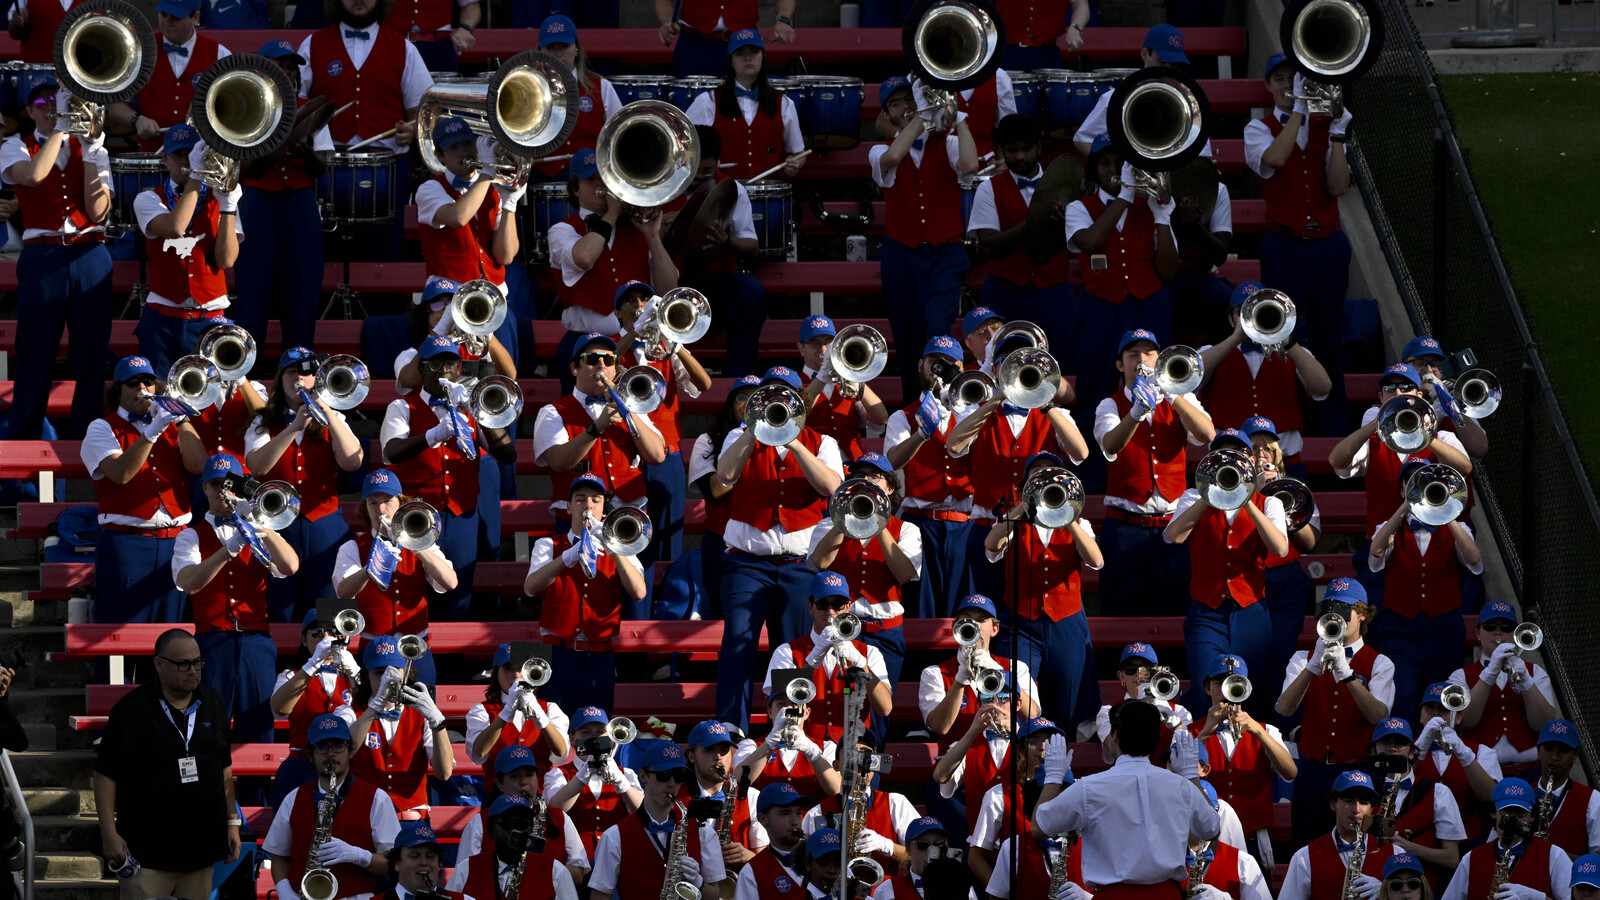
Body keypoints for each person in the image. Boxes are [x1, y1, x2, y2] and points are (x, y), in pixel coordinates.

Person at [715, 366, 846, 732]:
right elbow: (724, 475)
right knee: (737, 647)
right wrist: (755, 431)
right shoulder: (738, 436)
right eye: (770, 396)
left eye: (787, 396)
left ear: (799, 402)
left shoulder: (822, 443)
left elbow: (831, 488)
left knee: (793, 652)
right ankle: (731, 733)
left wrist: (793, 440)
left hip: (799, 564)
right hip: (746, 563)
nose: (779, 403)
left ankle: (791, 731)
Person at [1243, 53, 1354, 436]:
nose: (1289, 85)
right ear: (1268, 86)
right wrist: (1301, 112)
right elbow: (1274, 158)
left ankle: (1332, 426)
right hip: (1284, 245)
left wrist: (1337, 135)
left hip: (1327, 244)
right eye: (1280, 79)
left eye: (1297, 78)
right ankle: (1282, 423)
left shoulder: (1327, 125)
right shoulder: (1258, 128)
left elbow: (1338, 186)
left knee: (1328, 335)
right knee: (1279, 336)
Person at [3, 76, 113, 441]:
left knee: (92, 354)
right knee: (35, 352)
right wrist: (61, 129)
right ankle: (23, 443)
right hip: (43, 255)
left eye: (56, 100)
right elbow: (34, 175)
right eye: (41, 104)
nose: (50, 108)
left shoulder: (92, 147)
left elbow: (98, 213)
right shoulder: (14, 146)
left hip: (89, 251)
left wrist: (92, 148)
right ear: (28, 112)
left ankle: (89, 438)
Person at [93, 629, 240, 900]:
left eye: (198, 663)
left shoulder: (214, 702)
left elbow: (224, 766)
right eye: (183, 664)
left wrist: (232, 822)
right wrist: (109, 833)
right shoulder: (132, 709)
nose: (193, 670)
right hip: (148, 851)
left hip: (201, 846)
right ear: (159, 664)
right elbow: (105, 775)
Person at [381, 335, 518, 619]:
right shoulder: (402, 406)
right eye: (435, 363)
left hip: (461, 515)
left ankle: (453, 664)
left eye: (451, 363)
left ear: (460, 369)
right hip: (415, 516)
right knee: (412, 596)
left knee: (456, 601)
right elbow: (391, 451)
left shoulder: (468, 407)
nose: (444, 369)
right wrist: (433, 435)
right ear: (421, 369)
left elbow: (507, 454)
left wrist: (478, 410)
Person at [947, 335, 1091, 600]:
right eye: (1007, 362)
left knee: (1026, 611)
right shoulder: (976, 411)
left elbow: (1081, 453)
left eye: (1023, 362)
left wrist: (1045, 402)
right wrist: (997, 397)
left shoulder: (1054, 414)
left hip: (1032, 530)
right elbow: (954, 446)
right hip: (986, 526)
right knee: (984, 610)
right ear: (993, 370)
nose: (1015, 368)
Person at [1034, 701, 1221, 900]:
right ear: (1156, 738)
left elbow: (1039, 828)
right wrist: (1191, 776)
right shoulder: (1181, 786)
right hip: (1165, 894)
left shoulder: (1089, 787)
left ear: (1115, 735)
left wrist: (1053, 778)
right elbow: (1211, 829)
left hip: (1115, 895)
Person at [172, 452, 300, 742]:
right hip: (212, 641)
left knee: (258, 730)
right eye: (216, 484)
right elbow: (188, 582)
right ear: (204, 488)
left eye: (230, 484)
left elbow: (290, 566)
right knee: (208, 730)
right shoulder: (190, 536)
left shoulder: (257, 525)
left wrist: (262, 527)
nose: (223, 491)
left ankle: (255, 790)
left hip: (256, 641)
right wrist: (227, 549)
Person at [1329, 363, 1474, 608]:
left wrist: (1424, 434)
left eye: (1406, 387)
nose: (1397, 393)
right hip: (1380, 546)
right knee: (1380, 624)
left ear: (1419, 395)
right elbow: (1337, 461)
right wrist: (1374, 424)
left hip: (1432, 548)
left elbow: (1465, 467)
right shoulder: (1373, 440)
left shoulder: (1441, 437)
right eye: (1390, 388)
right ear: (1380, 397)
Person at [873, 75, 981, 402]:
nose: (904, 106)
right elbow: (892, 159)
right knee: (907, 340)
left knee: (938, 330)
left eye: (909, 98)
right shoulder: (880, 149)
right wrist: (921, 117)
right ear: (887, 115)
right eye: (896, 103)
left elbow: (970, 164)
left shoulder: (945, 143)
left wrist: (956, 118)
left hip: (943, 253)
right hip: (901, 256)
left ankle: (947, 404)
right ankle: (912, 410)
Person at [296, 0, 433, 258]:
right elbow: (296, 105)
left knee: (385, 254)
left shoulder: (404, 48)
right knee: (327, 254)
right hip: (326, 166)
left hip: (388, 172)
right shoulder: (311, 45)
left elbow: (424, 111)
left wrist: (413, 130)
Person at [1164, 428, 1290, 708]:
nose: (1231, 460)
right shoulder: (1192, 496)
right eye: (1223, 454)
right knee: (1203, 684)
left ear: (1250, 460)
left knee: (1252, 689)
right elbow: (1174, 536)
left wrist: (1247, 498)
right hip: (1206, 611)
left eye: (1238, 454)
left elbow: (1280, 548)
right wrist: (1208, 495)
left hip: (1251, 611)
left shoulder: (1270, 503)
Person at [1091, 328, 1213, 615]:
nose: (1141, 360)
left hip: (1172, 526)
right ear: (1120, 365)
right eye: (1133, 355)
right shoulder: (1109, 404)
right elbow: (1111, 444)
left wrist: (1172, 394)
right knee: (1121, 613)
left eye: (1148, 353)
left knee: (1176, 612)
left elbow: (1206, 433)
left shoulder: (1180, 399)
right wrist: (1136, 411)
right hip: (1125, 528)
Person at [982, 450, 1104, 731]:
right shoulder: (1013, 521)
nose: (1044, 476)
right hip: (1022, 621)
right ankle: (1022, 750)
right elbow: (990, 546)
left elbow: (1097, 561)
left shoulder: (1079, 523)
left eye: (1051, 473)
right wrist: (1023, 506)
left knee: (1067, 695)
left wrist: (1068, 515)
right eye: (1037, 471)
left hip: (1066, 622)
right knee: (1018, 693)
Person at [83, 356, 208, 624]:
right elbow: (121, 474)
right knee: (120, 635)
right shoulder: (102, 427)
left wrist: (182, 418)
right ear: (118, 391)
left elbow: (199, 466)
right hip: (127, 544)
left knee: (171, 635)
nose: (143, 388)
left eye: (149, 381)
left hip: (176, 542)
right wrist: (152, 431)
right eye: (133, 383)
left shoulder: (173, 425)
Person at [245, 347, 365, 623]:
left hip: (325, 527)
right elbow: (258, 466)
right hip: (277, 529)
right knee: (277, 612)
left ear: (317, 379)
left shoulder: (335, 419)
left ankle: (330, 663)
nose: (299, 377)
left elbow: (352, 462)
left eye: (306, 372)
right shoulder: (262, 422)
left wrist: (326, 411)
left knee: (329, 614)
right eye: (291, 371)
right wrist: (293, 427)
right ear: (280, 379)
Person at [234, 40, 334, 357]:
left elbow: (323, 166)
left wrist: (303, 152)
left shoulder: (310, 108)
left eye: (291, 67)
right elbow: (242, 170)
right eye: (280, 65)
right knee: (253, 286)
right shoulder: (246, 105)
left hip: (300, 201)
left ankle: (299, 365)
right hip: (259, 200)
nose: (287, 72)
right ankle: (246, 373)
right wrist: (273, 147)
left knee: (303, 286)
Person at [1277, 579, 1396, 845]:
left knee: (1359, 849)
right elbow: (1284, 708)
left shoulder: (1379, 662)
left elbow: (1378, 716)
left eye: (1344, 609)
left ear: (1362, 614)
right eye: (1329, 609)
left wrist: (1348, 675)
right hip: (1312, 771)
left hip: (1359, 771)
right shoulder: (1302, 657)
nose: (1336, 616)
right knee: (1306, 846)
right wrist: (1312, 666)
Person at [1065, 136, 1180, 407]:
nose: (1113, 170)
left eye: (1121, 163)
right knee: (1096, 381)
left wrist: (1163, 217)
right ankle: (1092, 448)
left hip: (1149, 302)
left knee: (1158, 380)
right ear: (1094, 169)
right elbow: (1089, 242)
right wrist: (1125, 197)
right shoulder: (1079, 207)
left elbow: (1169, 270)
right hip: (1100, 306)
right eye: (1105, 163)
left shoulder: (1149, 206)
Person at [1367, 458, 1483, 722]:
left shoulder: (1458, 528)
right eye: (1411, 480)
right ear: (1401, 489)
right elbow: (1375, 555)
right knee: (1403, 695)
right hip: (1400, 629)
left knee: (1442, 703)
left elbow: (1475, 560)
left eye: (1425, 479)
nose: (1419, 484)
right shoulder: (1390, 529)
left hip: (1443, 628)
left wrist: (1448, 513)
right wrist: (1405, 507)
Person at [524, 473, 651, 712]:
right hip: (557, 653)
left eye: (595, 500)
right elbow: (531, 587)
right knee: (555, 729)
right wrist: (568, 556)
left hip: (599, 656)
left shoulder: (621, 548)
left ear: (604, 509)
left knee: (596, 730)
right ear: (569, 507)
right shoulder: (548, 545)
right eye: (580, 499)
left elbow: (639, 591)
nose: (588, 505)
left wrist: (613, 546)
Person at [548, 147, 680, 366]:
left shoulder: (637, 229)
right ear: (575, 189)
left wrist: (654, 237)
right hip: (585, 344)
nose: (601, 185)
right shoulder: (561, 230)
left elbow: (668, 291)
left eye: (606, 179)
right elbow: (583, 258)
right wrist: (611, 213)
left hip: (639, 345)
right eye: (591, 180)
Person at [129, 125, 243, 373]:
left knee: (212, 401)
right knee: (160, 399)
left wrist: (228, 208)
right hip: (163, 318)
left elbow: (226, 260)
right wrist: (197, 176)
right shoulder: (148, 198)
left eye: (191, 154)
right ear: (165, 159)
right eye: (178, 155)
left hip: (211, 316)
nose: (185, 160)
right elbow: (175, 227)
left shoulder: (220, 196)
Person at [615, 280, 714, 567]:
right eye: (630, 300)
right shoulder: (608, 343)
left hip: (667, 449)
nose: (639, 305)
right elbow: (608, 360)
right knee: (628, 534)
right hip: (625, 451)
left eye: (644, 299)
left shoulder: (665, 345)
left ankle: (667, 605)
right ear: (617, 312)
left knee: (670, 534)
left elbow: (704, 383)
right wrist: (635, 330)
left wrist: (676, 344)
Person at [806, 451, 923, 693]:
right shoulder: (829, 524)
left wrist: (877, 522)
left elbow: (903, 574)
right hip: (839, 630)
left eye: (875, 476)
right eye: (860, 476)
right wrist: (844, 518)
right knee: (843, 702)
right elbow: (818, 563)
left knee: (879, 709)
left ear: (890, 488)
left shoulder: (907, 529)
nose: (866, 481)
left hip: (885, 633)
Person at [534, 330, 666, 537]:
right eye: (592, 359)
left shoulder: (634, 408)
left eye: (609, 359)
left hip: (629, 519)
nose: (602, 365)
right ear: (574, 368)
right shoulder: (553, 411)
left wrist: (626, 409)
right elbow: (558, 462)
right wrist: (597, 427)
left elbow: (657, 456)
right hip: (577, 521)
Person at [662, 125, 767, 380]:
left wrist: (727, 241)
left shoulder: (732, 189)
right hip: (669, 282)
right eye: (693, 168)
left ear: (719, 162)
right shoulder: (661, 184)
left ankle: (738, 381)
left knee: (751, 291)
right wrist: (662, 226)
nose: (699, 176)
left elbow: (752, 247)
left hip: (713, 282)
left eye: (707, 170)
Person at [883, 335, 977, 618]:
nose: (941, 370)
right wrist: (921, 433)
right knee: (919, 612)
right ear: (921, 365)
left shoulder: (974, 412)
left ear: (961, 367)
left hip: (965, 525)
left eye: (949, 364)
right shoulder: (903, 416)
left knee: (966, 612)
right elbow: (891, 463)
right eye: (935, 362)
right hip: (920, 525)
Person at [1197, 282, 1333, 470]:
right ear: (1231, 320)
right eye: (1243, 312)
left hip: (1284, 461)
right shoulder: (1213, 353)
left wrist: (1287, 341)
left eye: (1256, 310)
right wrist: (1235, 339)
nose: (1251, 318)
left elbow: (1323, 387)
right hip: (1227, 464)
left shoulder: (1295, 353)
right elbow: (1190, 375)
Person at [965, 115, 1074, 351]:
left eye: (1026, 149)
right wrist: (1034, 220)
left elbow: (1082, 241)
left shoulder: (1067, 185)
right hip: (1005, 292)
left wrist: (1069, 221)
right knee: (1003, 366)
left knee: (1060, 363)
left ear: (1039, 147)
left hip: (1054, 292)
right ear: (1002, 151)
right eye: (1012, 150)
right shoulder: (988, 188)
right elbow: (989, 245)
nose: (1020, 156)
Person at [264, 713, 400, 900]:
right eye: (322, 747)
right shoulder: (293, 798)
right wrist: (284, 891)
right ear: (310, 755)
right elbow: (279, 856)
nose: (330, 753)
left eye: (338, 745)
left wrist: (359, 855)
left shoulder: (377, 799)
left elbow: (393, 863)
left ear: (351, 751)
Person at [1237, 417, 1321, 706]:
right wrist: (1256, 492)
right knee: (1250, 657)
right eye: (1254, 448)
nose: (1261, 455)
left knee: (1282, 654)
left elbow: (1310, 541)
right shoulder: (1231, 484)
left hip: (1285, 581)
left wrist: (1283, 500)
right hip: (1247, 579)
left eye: (1267, 449)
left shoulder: (1294, 486)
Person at [1189, 654, 1295, 869]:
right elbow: (1175, 778)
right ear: (1207, 688)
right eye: (1219, 683)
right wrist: (1206, 731)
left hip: (1252, 838)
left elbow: (1290, 772)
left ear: (1245, 688)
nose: (1226, 689)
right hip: (1202, 841)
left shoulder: (1266, 730)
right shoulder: (1189, 733)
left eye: (1234, 682)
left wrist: (1257, 731)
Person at [763, 572, 894, 745]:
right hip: (803, 748)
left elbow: (884, 708)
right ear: (810, 607)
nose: (831, 612)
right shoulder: (786, 652)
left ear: (848, 607)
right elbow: (784, 705)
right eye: (823, 604)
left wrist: (861, 663)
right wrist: (813, 658)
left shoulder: (869, 652)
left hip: (851, 749)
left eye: (838, 605)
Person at [589, 742, 727, 900]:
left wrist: (698, 882)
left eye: (679, 776)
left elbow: (715, 895)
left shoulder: (703, 831)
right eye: (664, 775)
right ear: (643, 776)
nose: (672, 783)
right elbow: (599, 896)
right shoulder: (614, 837)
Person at [332, 470, 458, 640]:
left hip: (416, 641)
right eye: (373, 503)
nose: (381, 510)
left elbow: (450, 582)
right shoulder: (351, 547)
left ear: (401, 503)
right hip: (374, 643)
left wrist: (416, 545)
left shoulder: (423, 543)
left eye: (387, 501)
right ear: (365, 509)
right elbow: (344, 592)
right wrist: (370, 569)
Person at [348, 636, 455, 818]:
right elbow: (346, 750)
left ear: (405, 672)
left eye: (393, 671)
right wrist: (375, 707)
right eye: (378, 672)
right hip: (363, 813)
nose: (386, 679)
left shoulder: (421, 713)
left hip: (411, 816)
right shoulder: (350, 711)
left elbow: (444, 772)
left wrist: (437, 720)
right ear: (366, 675)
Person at [1447, 601, 1559, 774]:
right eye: (1490, 626)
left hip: (1529, 772)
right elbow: (1464, 722)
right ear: (1478, 633)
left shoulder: (1534, 672)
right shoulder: (1459, 676)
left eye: (1506, 627)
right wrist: (1490, 672)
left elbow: (1545, 726)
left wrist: (1525, 680)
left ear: (1515, 634)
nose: (1498, 632)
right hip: (1480, 773)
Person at [415, 116, 522, 291]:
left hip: (492, 290)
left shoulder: (493, 188)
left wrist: (510, 205)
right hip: (450, 290)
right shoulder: (430, 189)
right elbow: (458, 217)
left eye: (468, 144)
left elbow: (506, 256)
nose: (464, 152)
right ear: (440, 156)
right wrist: (487, 173)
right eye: (454, 147)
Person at [108, 0, 230, 153]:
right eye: (163, 15)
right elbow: (114, 106)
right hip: (151, 157)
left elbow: (230, 111)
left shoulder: (220, 55)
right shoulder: (139, 52)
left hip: (201, 157)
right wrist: (137, 119)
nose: (166, 22)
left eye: (175, 17)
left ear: (195, 18)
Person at [688, 376, 764, 620]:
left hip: (759, 541)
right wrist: (744, 445)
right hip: (720, 542)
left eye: (756, 397)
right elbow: (716, 490)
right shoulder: (707, 441)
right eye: (742, 397)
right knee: (722, 615)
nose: (749, 403)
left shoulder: (776, 442)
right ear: (731, 404)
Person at [686, 30, 807, 181]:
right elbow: (683, 148)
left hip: (768, 197)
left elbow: (799, 154)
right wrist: (705, 163)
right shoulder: (707, 101)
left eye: (754, 52)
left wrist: (795, 164)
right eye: (740, 53)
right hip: (723, 194)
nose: (748, 57)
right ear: (731, 60)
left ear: (763, 56)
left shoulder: (785, 104)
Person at [269, 610, 361, 807]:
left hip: (347, 767)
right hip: (301, 767)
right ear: (303, 640)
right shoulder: (289, 676)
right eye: (317, 632)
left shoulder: (355, 677)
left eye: (333, 631)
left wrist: (355, 671)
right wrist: (312, 664)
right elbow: (279, 710)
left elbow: (375, 703)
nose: (325, 638)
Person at [459, 744, 590, 883]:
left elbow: (578, 874)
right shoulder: (479, 822)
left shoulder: (559, 818)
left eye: (529, 775)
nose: (523, 783)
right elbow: (464, 875)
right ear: (499, 784)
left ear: (538, 779)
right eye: (514, 776)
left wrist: (540, 870)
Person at [802, 729, 920, 877]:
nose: (860, 759)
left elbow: (922, 858)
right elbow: (803, 867)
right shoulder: (816, 813)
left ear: (875, 763)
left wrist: (887, 846)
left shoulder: (896, 802)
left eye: (866, 753)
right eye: (852, 752)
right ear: (836, 765)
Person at [1072, 26, 1202, 157]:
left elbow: (1202, 154)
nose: (1167, 70)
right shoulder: (1113, 98)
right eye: (1162, 62)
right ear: (1144, 54)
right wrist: (1110, 169)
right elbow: (1083, 139)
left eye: (1174, 65)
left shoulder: (1188, 105)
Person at [1368, 717, 1468, 886]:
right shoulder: (1364, 791)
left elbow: (1452, 859)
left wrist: (1408, 847)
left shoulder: (1439, 792)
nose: (1392, 748)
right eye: (1385, 742)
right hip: (1371, 885)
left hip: (1420, 888)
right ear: (1374, 751)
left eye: (1399, 743)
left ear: (1412, 752)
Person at [1439, 778, 1573, 900]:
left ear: (1532, 816)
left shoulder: (1554, 856)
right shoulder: (1471, 859)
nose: (1513, 818)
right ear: (1493, 812)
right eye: (1507, 811)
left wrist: (1538, 898)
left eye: (1520, 812)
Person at [1277, 770, 1395, 900]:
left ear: (1372, 808)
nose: (1356, 809)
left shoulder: (1395, 853)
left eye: (1363, 802)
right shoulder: (1304, 858)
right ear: (1333, 804)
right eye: (1349, 801)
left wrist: (1387, 893)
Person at [544, 706, 646, 856]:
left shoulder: (626, 774)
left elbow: (644, 814)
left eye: (600, 733)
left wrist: (621, 782)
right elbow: (556, 809)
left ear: (610, 738)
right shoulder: (558, 774)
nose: (594, 739)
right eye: (586, 733)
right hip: (575, 861)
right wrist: (585, 773)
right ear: (572, 739)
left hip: (618, 858)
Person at [465, 643, 572, 783]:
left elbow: (561, 753)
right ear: (496, 673)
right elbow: (478, 753)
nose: (516, 675)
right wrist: (507, 710)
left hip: (540, 796)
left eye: (522, 668)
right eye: (508, 668)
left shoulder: (550, 709)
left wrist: (539, 712)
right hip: (498, 798)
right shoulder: (481, 710)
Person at [533, 15, 621, 181]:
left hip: (592, 178)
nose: (558, 54)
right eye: (551, 48)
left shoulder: (601, 86)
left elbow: (619, 136)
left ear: (577, 49)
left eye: (564, 47)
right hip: (541, 177)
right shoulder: (527, 89)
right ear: (540, 52)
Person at [447, 793, 582, 900]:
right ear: (490, 830)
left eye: (522, 824)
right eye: (506, 823)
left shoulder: (555, 871)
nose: (514, 830)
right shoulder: (466, 869)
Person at [1413, 682, 1502, 844]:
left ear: (1459, 717)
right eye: (1429, 708)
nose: (1435, 713)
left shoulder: (1482, 752)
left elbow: (1491, 796)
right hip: (1416, 841)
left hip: (1467, 842)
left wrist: (1464, 754)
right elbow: (1395, 783)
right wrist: (1419, 748)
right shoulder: (1406, 748)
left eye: (1442, 709)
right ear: (1420, 715)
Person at [795, 315, 890, 462]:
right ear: (801, 348)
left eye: (828, 343)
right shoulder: (793, 382)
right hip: (813, 468)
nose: (824, 349)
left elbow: (881, 419)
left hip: (853, 467)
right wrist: (822, 376)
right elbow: (795, 417)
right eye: (815, 344)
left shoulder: (848, 380)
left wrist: (856, 376)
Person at [680, 720, 764, 872]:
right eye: (709, 750)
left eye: (724, 750)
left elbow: (767, 861)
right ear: (692, 757)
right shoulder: (675, 797)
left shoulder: (751, 797)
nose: (718, 757)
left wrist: (749, 857)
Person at [732, 694, 842, 798]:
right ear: (769, 712)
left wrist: (813, 752)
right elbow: (738, 782)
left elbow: (837, 789)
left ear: (807, 713)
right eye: (781, 704)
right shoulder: (751, 745)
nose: (788, 708)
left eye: (796, 703)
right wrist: (770, 743)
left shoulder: (826, 747)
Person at [1400, 336, 1490, 459]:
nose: (1428, 370)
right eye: (1420, 363)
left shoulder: (1456, 400)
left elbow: (1479, 449)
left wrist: (1448, 403)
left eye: (1436, 364)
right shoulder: (1395, 399)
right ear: (1404, 367)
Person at [1089, 642, 1190, 750]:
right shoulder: (1107, 712)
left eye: (1146, 669)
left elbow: (1190, 753)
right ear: (1121, 676)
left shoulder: (1179, 712)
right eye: (1131, 669)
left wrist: (1176, 726)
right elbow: (1113, 749)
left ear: (1157, 672)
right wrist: (1138, 709)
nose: (1138, 674)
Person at [656, 0, 797, 78]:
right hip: (694, 44)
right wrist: (667, 21)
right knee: (691, 109)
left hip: (743, 44)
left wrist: (783, 20)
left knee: (745, 108)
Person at [1524, 720, 1599, 859]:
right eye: (1548, 748)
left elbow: (1597, 862)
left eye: (1563, 751)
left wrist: (1553, 857)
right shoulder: (1519, 793)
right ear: (1538, 750)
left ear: (1575, 756)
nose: (1554, 757)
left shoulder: (1593, 800)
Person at [735, 783, 813, 900]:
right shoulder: (751, 872)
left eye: (798, 812)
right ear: (763, 819)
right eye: (785, 813)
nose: (795, 821)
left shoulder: (821, 856)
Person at [873, 817, 969, 900]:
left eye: (938, 844)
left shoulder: (960, 884)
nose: (930, 850)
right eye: (923, 844)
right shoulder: (888, 889)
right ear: (909, 849)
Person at [387, 0, 482, 72]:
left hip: (439, 47)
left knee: (442, 95)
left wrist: (465, 28)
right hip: (391, 43)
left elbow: (471, 5)